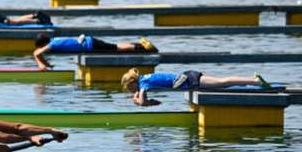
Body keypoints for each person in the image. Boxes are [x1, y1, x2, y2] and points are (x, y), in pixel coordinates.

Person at [121, 67, 271, 106]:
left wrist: (138, 100)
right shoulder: (144, 78)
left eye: (130, 89)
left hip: (189, 80)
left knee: (222, 82)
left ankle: (255, 81)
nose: (132, 91)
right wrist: (137, 97)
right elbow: (143, 97)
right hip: (188, 76)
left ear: (133, 83)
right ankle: (250, 81)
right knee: (223, 83)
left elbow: (142, 102)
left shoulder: (143, 83)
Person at [33, 33, 158, 70]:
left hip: (90, 45)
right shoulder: (55, 39)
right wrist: (47, 64)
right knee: (114, 46)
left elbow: (38, 53)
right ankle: (138, 45)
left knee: (116, 48)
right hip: (89, 40)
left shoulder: (52, 44)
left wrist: (42, 65)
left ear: (43, 44)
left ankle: (142, 48)